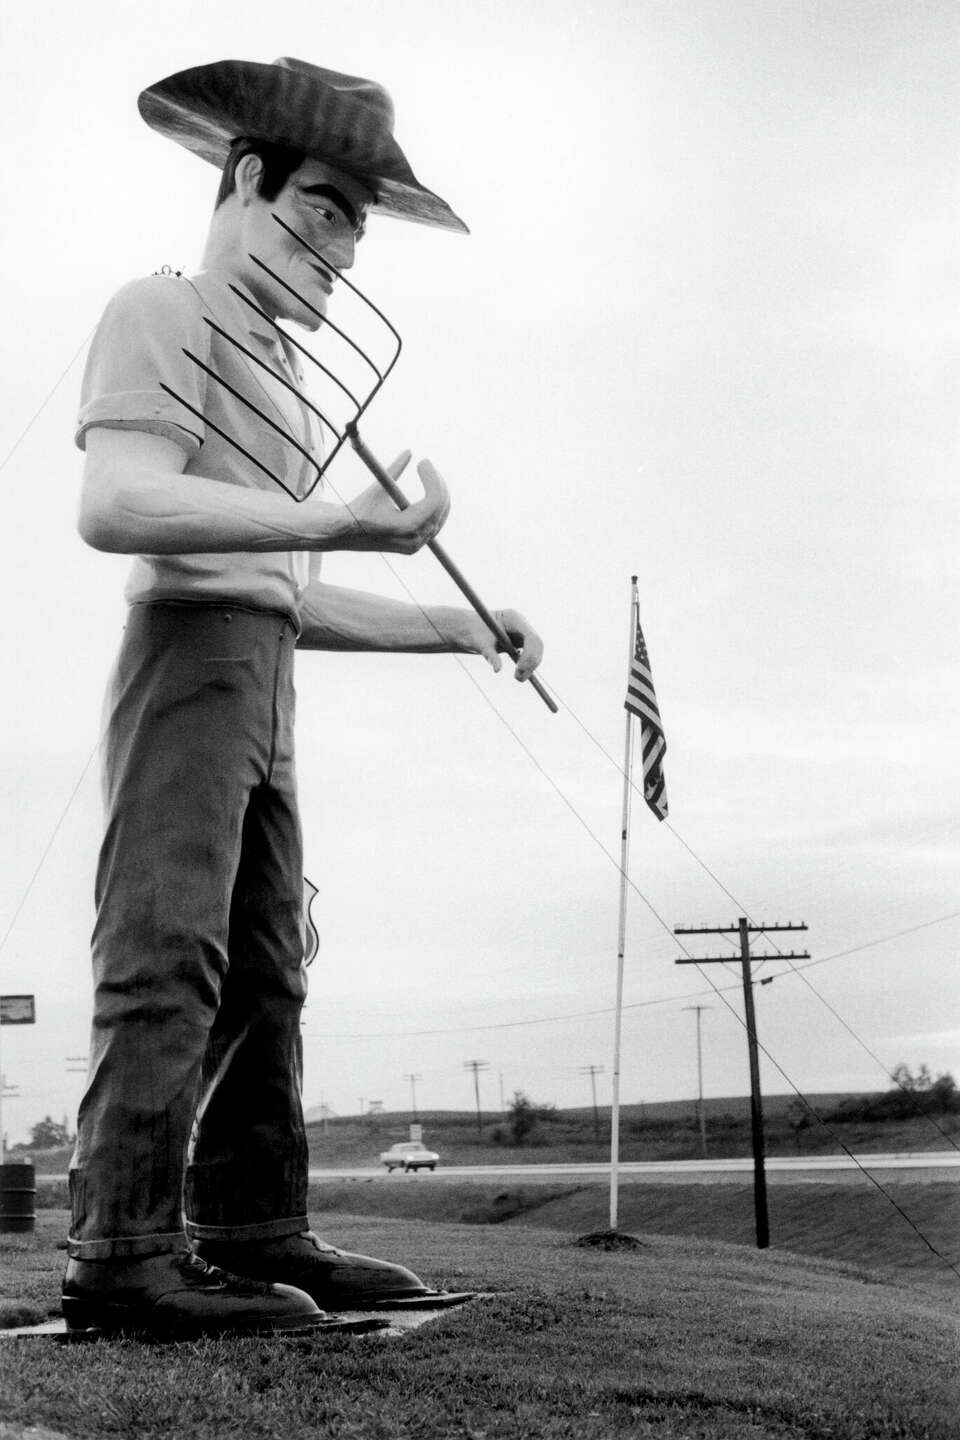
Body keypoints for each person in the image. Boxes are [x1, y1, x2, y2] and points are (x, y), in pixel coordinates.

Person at [64, 57, 544, 1339]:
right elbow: (117, 505)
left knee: (269, 970)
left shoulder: (289, 384)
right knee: (167, 955)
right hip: (184, 658)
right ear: (246, 178)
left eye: (356, 227)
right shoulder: (159, 311)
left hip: (262, 677)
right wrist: (335, 516)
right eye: (325, 207)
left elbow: (287, 587)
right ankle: (120, 1252)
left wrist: (456, 623)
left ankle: (253, 1225)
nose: (340, 249)